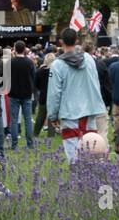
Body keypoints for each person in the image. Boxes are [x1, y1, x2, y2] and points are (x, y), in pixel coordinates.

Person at [46, 28, 106, 163]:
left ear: (61, 41)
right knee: (92, 149)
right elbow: (95, 82)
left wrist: (53, 115)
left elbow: (55, 92)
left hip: (70, 112)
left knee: (74, 153)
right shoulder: (89, 59)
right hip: (90, 109)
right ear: (77, 40)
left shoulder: (57, 65)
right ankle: (92, 179)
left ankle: (79, 181)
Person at [7, 40, 35, 151]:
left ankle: (14, 144)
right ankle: (29, 144)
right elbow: (34, 77)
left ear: (14, 49)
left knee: (14, 119)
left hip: (13, 93)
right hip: (27, 93)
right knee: (28, 119)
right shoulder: (29, 62)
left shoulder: (10, 62)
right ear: (24, 49)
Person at [33, 51, 55, 137]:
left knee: (41, 115)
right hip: (53, 95)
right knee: (51, 116)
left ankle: (35, 133)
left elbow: (36, 84)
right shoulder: (56, 71)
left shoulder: (40, 71)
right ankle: (51, 134)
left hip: (43, 95)